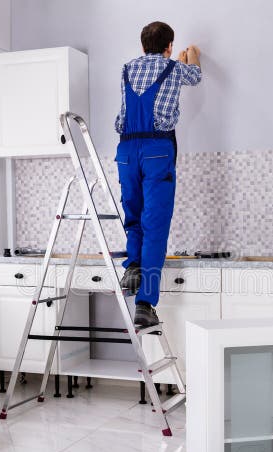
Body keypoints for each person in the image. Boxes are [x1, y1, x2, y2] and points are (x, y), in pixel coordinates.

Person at [114, 21, 202, 327]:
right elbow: (196, 75)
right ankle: (145, 304)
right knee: (155, 226)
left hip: (125, 151)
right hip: (156, 151)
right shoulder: (174, 69)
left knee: (134, 216)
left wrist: (171, 60)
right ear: (169, 46)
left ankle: (133, 266)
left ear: (141, 46)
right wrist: (193, 54)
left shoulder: (127, 69)